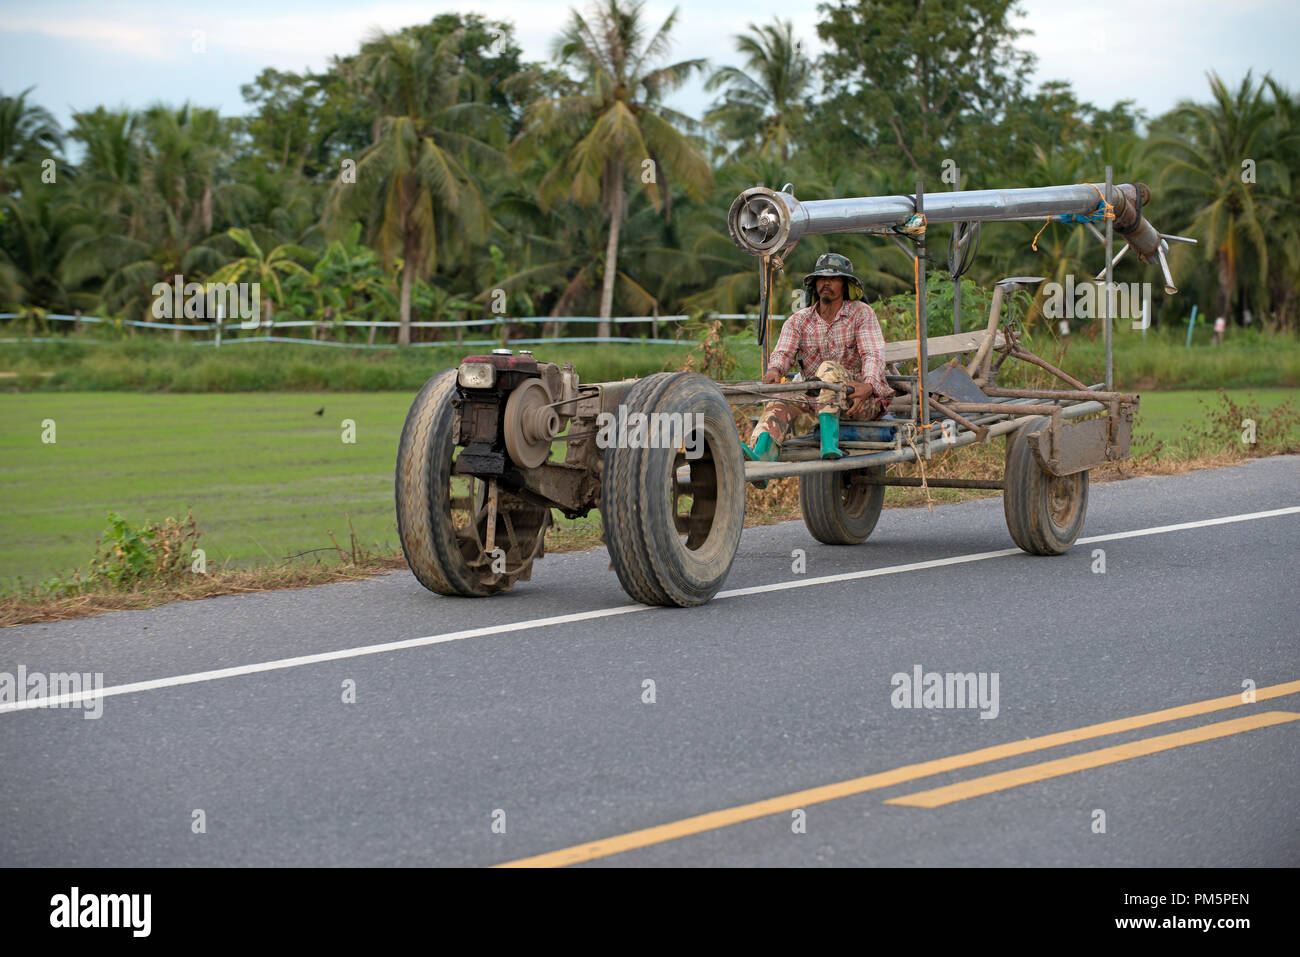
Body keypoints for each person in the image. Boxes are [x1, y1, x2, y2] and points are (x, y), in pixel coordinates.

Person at [742, 252, 893, 461]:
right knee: (781, 399)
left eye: (833, 279)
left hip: (856, 399)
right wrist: (774, 371)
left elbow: (872, 354)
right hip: (814, 403)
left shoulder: (861, 313)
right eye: (822, 278)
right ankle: (761, 455)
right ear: (815, 284)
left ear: (845, 284)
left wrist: (868, 385)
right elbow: (782, 353)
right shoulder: (799, 320)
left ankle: (829, 445)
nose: (826, 283)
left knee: (828, 368)